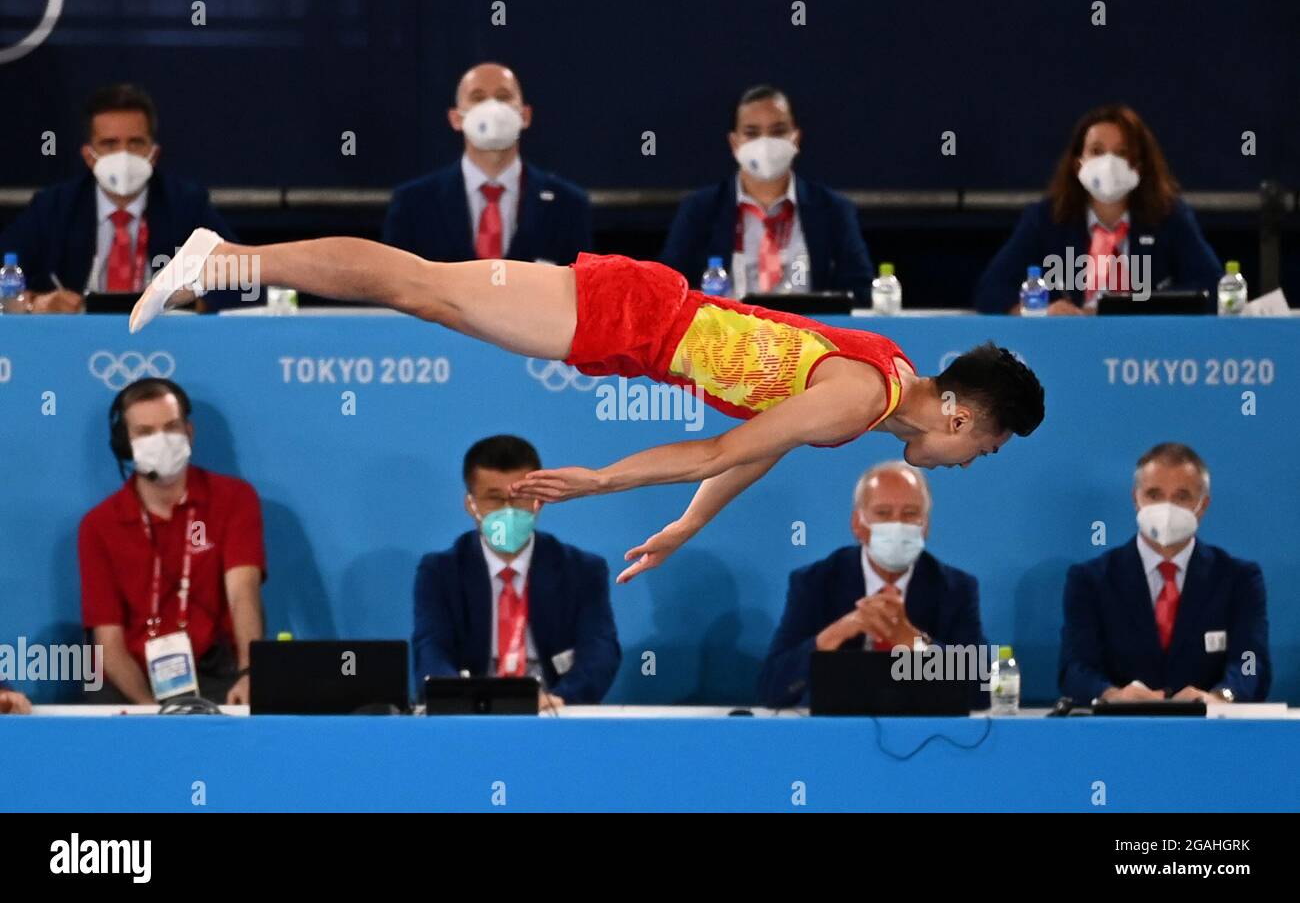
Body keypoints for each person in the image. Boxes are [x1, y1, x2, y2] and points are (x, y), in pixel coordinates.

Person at [130, 231, 1045, 583]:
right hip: (634, 317)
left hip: (639, 327)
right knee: (425, 290)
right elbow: (711, 449)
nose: (974, 464)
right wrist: (602, 480)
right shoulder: (859, 398)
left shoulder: (884, 381)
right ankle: (222, 261)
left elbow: (750, 452)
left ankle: (225, 262)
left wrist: (685, 527)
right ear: (963, 417)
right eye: (990, 450)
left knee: (431, 294)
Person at [78, 378, 267, 704]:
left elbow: (243, 595)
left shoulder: (233, 499)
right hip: (129, 680)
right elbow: (108, 641)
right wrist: (154, 717)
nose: (161, 440)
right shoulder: (99, 525)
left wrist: (250, 672)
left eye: (171, 427)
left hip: (214, 672)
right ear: (126, 445)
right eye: (145, 432)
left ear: (189, 433)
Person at [413, 436, 621, 709]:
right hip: (472, 712)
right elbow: (431, 648)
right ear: (470, 504)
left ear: (540, 501)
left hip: (552, 710)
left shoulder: (581, 569)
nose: (507, 512)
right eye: (494, 499)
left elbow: (600, 650)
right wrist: (458, 698)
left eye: (519, 498)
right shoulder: (441, 571)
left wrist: (562, 698)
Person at [759, 461, 986, 708]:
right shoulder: (816, 582)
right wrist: (835, 634)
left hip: (922, 732)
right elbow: (772, 689)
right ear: (858, 524)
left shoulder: (954, 588)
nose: (897, 525)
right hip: (837, 731)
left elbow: (980, 692)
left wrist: (912, 641)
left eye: (910, 513)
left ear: (925, 526)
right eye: (883, 513)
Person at [1059, 443, 1270, 703]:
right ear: (1136, 499)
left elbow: (1251, 662)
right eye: (1154, 494)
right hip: (1120, 731)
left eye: (1182, 497)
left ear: (1202, 505)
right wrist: (1113, 696)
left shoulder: (1239, 579)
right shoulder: (1091, 580)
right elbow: (1075, 668)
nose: (1167, 508)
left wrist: (1220, 697)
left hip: (1211, 730)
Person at [0, 83, 235, 313]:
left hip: (166, 340)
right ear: (89, 156)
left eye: (135, 143)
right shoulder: (53, 207)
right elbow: (6, 272)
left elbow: (242, 280)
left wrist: (195, 306)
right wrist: (34, 303)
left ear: (154, 153)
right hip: (74, 338)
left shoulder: (187, 205)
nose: (123, 155)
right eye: (109, 144)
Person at [973, 104, 1221, 315]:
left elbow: (1213, 287)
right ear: (1077, 163)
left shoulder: (1169, 217)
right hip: (1071, 345)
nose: (1109, 164)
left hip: (1145, 349)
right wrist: (1038, 311)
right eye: (1097, 151)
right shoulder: (1047, 218)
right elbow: (991, 290)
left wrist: (1135, 306)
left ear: (1140, 166)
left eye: (1122, 153)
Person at [660, 84, 872, 299]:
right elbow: (670, 288)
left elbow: (860, 291)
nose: (765, 143)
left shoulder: (833, 209)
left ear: (796, 139)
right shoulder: (700, 209)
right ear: (734, 143)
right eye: (752, 133)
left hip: (808, 330)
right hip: (728, 331)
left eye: (778, 131)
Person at [383, 62, 591, 265]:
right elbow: (394, 290)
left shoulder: (568, 205)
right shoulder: (413, 204)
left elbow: (582, 292)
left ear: (525, 116)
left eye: (503, 97)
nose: (492, 108)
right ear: (456, 119)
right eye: (478, 98)